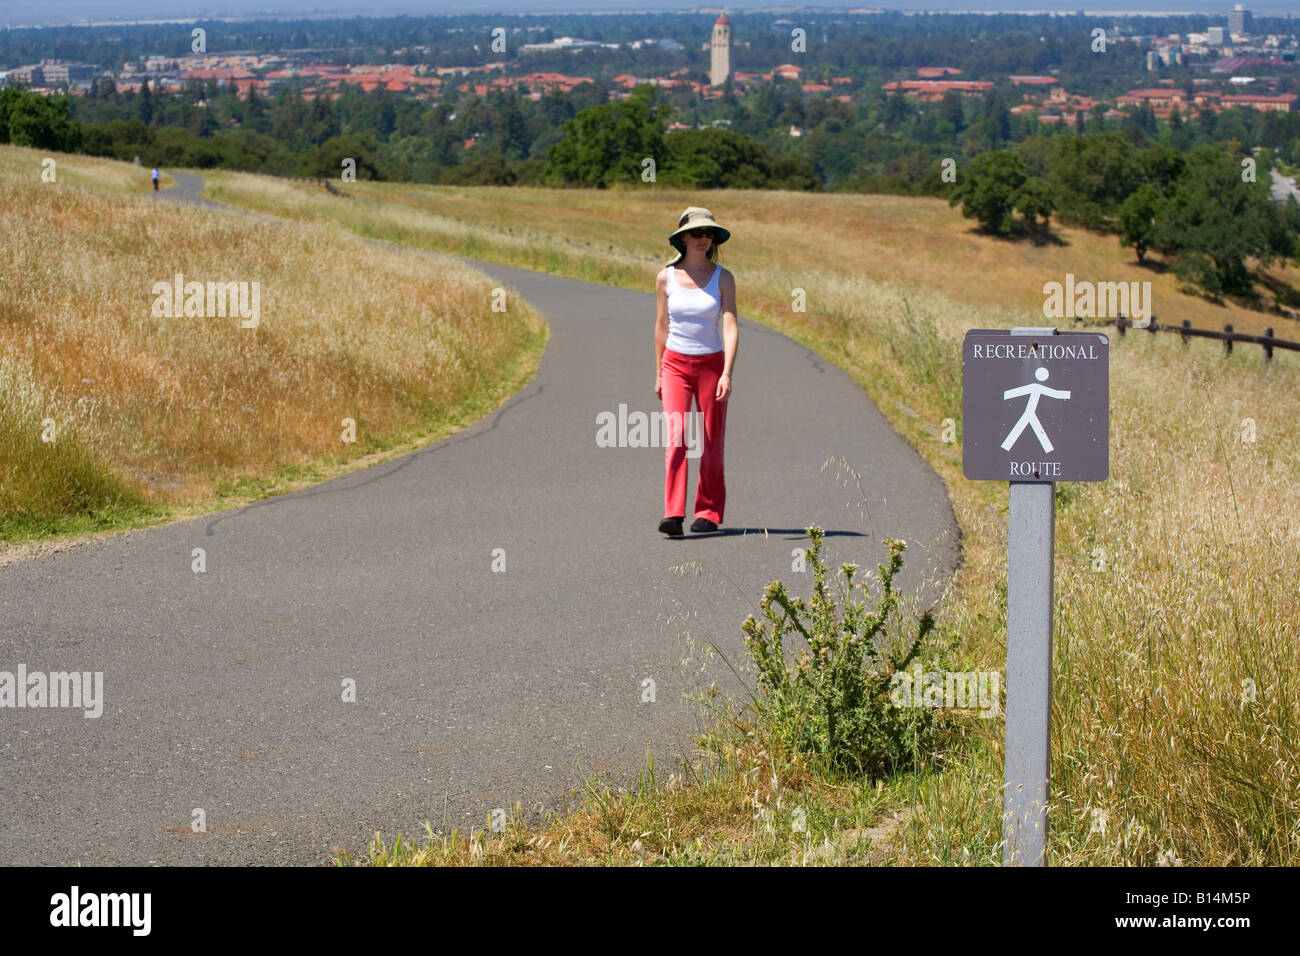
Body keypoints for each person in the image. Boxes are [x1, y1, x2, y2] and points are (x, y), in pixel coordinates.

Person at [654, 207, 738, 537]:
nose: (703, 238)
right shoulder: (665, 277)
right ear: (683, 237)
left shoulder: (723, 277)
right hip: (674, 364)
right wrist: (659, 372)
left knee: (710, 440)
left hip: (711, 365)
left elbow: (730, 324)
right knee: (676, 437)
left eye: (709, 234)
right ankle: (673, 513)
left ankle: (708, 511)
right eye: (697, 233)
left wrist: (727, 373)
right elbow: (661, 325)